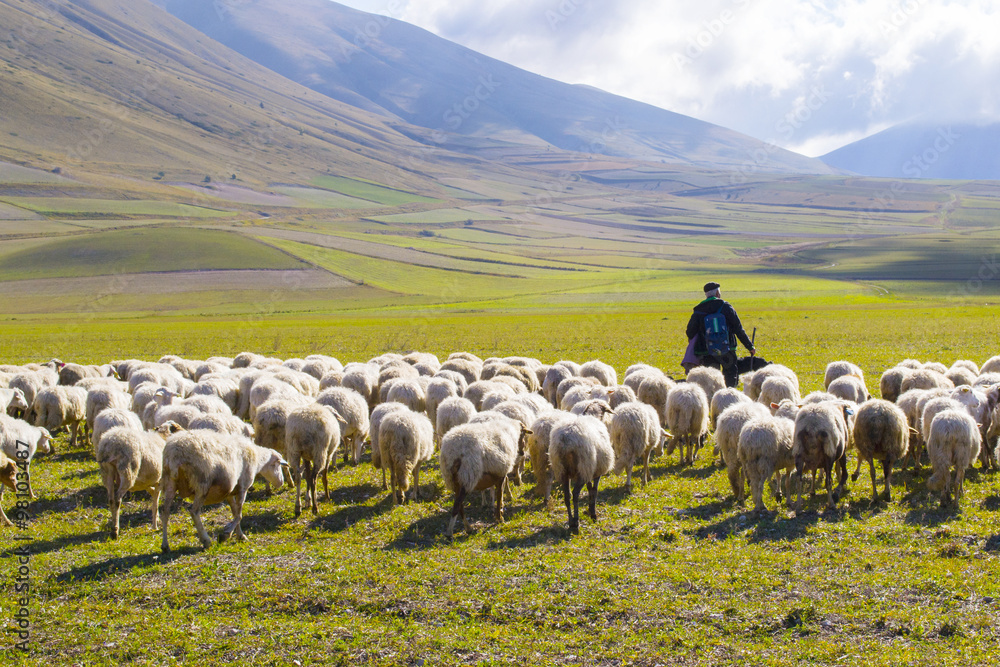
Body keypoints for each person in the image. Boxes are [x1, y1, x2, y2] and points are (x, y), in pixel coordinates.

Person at [685, 281, 755, 388]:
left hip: (707, 352)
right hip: (727, 349)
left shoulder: (698, 310)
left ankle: (714, 400)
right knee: (730, 377)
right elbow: (738, 329)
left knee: (712, 379)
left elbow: (690, 332)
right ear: (717, 293)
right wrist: (749, 346)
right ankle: (731, 398)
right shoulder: (726, 307)